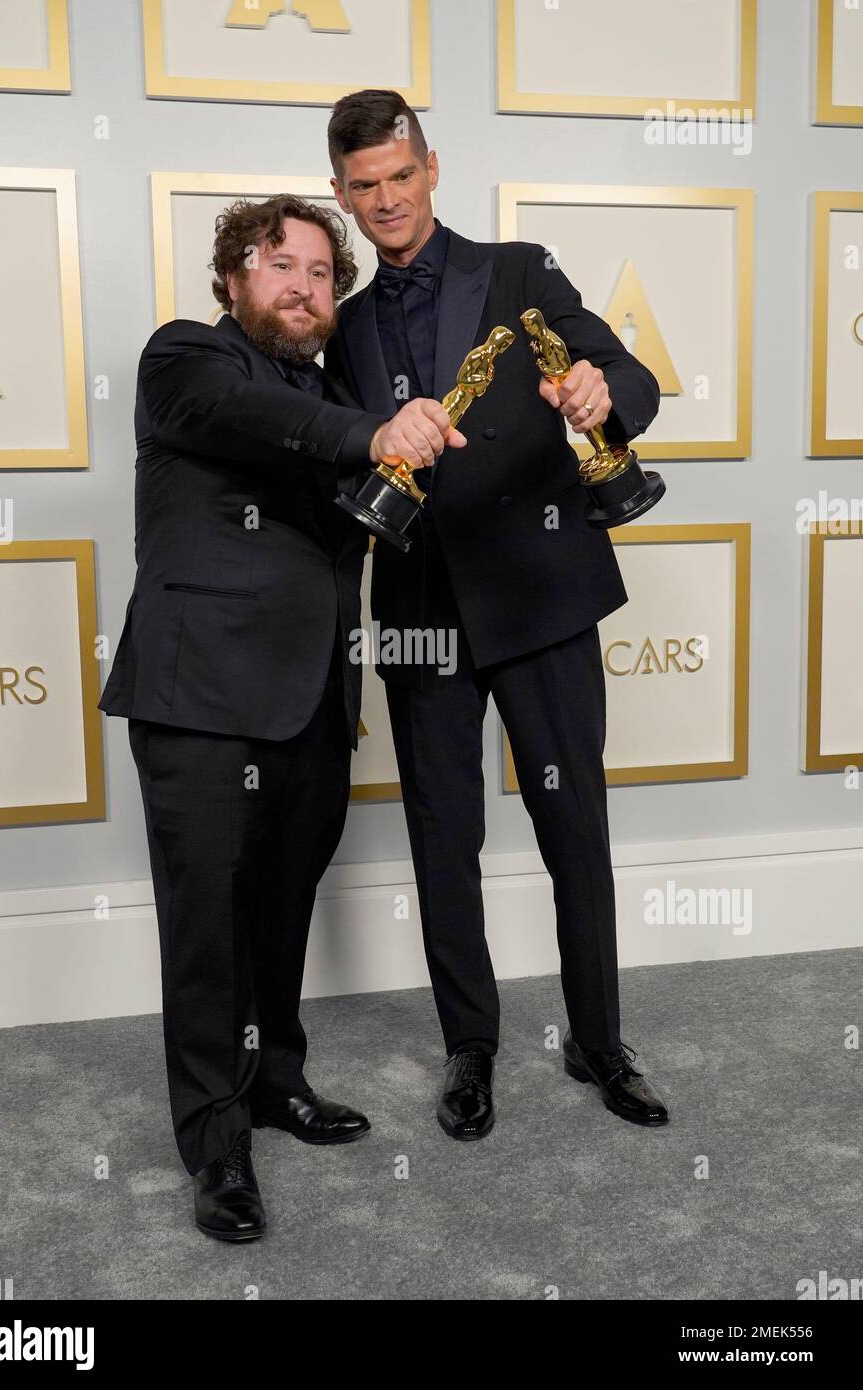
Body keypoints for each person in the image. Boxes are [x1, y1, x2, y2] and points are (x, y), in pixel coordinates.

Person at [98, 193, 462, 1239]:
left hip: (311, 699)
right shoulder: (184, 362)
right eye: (279, 265)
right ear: (231, 279)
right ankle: (214, 1147)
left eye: (320, 274)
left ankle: (273, 1079)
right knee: (207, 929)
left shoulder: (333, 391)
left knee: (279, 908)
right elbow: (262, 421)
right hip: (200, 698)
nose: (303, 287)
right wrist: (372, 429)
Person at [323, 90, 670, 1141]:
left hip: (540, 593)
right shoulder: (337, 327)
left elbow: (627, 369)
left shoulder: (518, 269)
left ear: (431, 168)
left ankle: (597, 1039)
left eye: (398, 175)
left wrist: (601, 393)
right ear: (340, 195)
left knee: (573, 823)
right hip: (424, 607)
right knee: (442, 834)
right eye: (362, 187)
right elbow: (336, 462)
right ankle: (469, 1047)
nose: (384, 199)